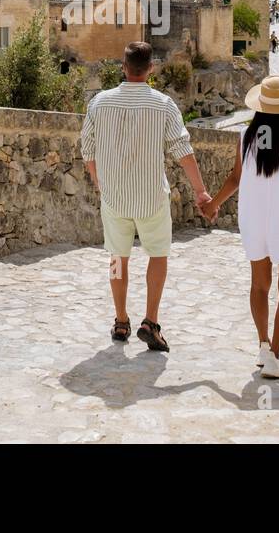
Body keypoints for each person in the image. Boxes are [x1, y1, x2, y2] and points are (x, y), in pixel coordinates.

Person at [81, 41, 212, 352]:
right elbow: (183, 150)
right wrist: (200, 191)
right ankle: (150, 321)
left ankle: (120, 319)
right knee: (158, 255)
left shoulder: (99, 103)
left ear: (123, 68)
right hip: (152, 196)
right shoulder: (164, 105)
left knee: (117, 258)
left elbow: (87, 149)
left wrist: (101, 184)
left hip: (114, 197)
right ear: (151, 68)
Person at [201, 75, 279, 378]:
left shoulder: (246, 137)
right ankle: (275, 355)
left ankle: (263, 344)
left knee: (259, 285)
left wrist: (214, 203)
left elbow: (235, 178)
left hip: (254, 219)